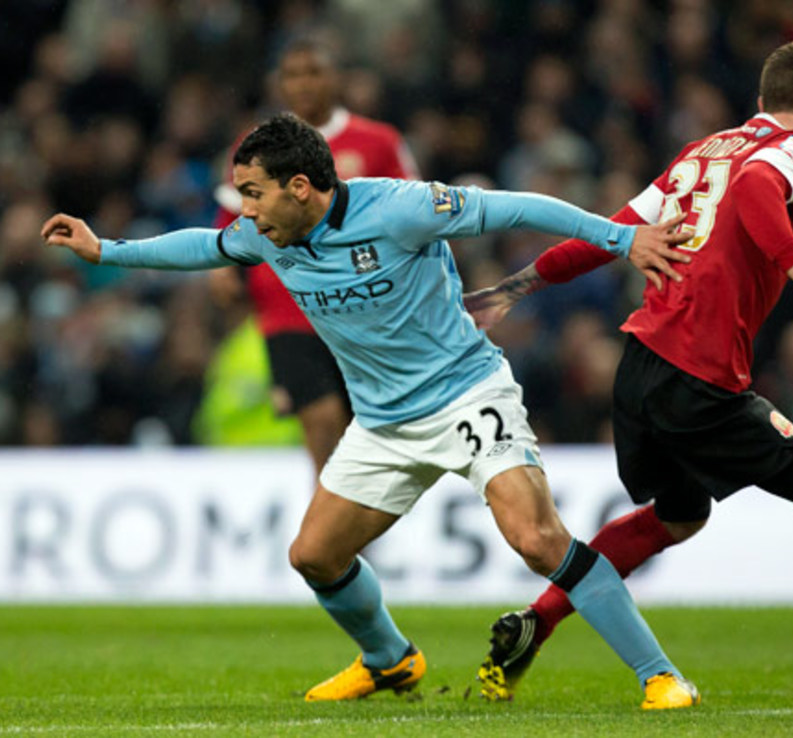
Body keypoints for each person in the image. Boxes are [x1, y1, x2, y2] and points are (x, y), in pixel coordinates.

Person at [42, 113, 702, 709]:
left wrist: (623, 239)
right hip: (383, 424)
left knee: (536, 539)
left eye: (251, 193)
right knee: (314, 556)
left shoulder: (400, 208)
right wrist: (108, 250)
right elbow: (199, 248)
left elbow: (516, 206)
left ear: (299, 186)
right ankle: (391, 662)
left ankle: (660, 676)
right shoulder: (266, 236)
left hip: (466, 394)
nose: (243, 212)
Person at [464, 40, 793, 701]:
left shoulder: (703, 151)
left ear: (762, 99)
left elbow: (614, 232)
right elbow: (754, 188)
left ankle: (534, 625)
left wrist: (516, 286)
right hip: (698, 379)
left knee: (680, 515)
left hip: (639, 369)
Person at [213, 38, 420, 475]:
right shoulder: (256, 145)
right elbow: (232, 215)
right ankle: (332, 539)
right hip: (288, 307)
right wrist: (225, 269)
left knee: (363, 430)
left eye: (313, 72)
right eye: (292, 75)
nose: (303, 84)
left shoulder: (377, 142)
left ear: (336, 77)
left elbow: (414, 211)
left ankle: (345, 533)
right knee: (322, 423)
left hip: (362, 306)